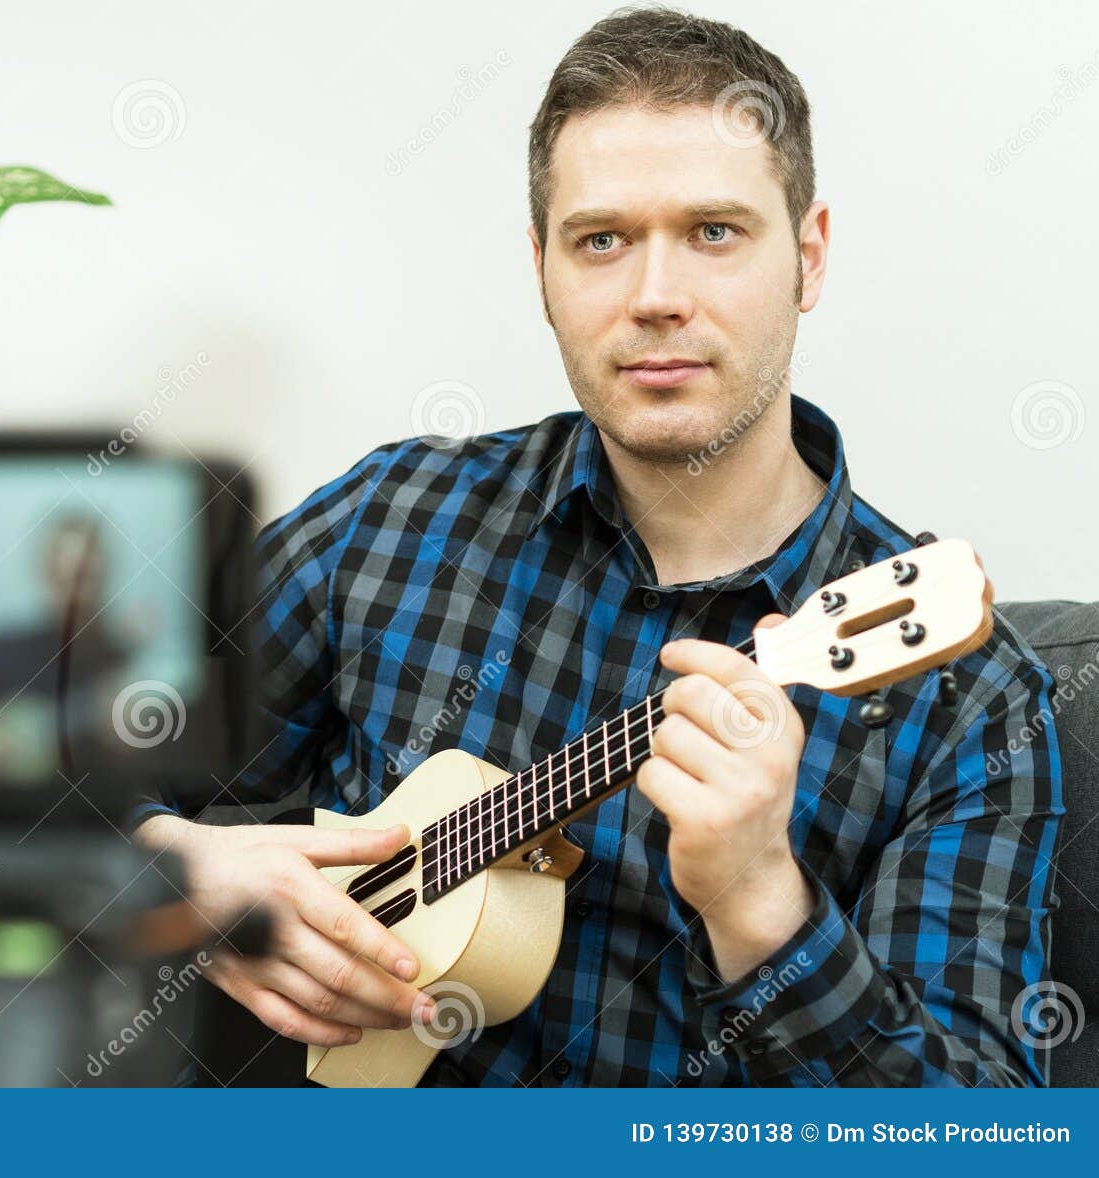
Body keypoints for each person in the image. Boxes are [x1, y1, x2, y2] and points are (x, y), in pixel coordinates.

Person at [132, 5, 1063, 1086]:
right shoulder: (391, 520)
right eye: (601, 240)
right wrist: (175, 870)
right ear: (542, 269)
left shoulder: (971, 699)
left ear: (807, 258)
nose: (654, 297)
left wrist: (762, 905)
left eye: (714, 232)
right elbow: (45, 770)